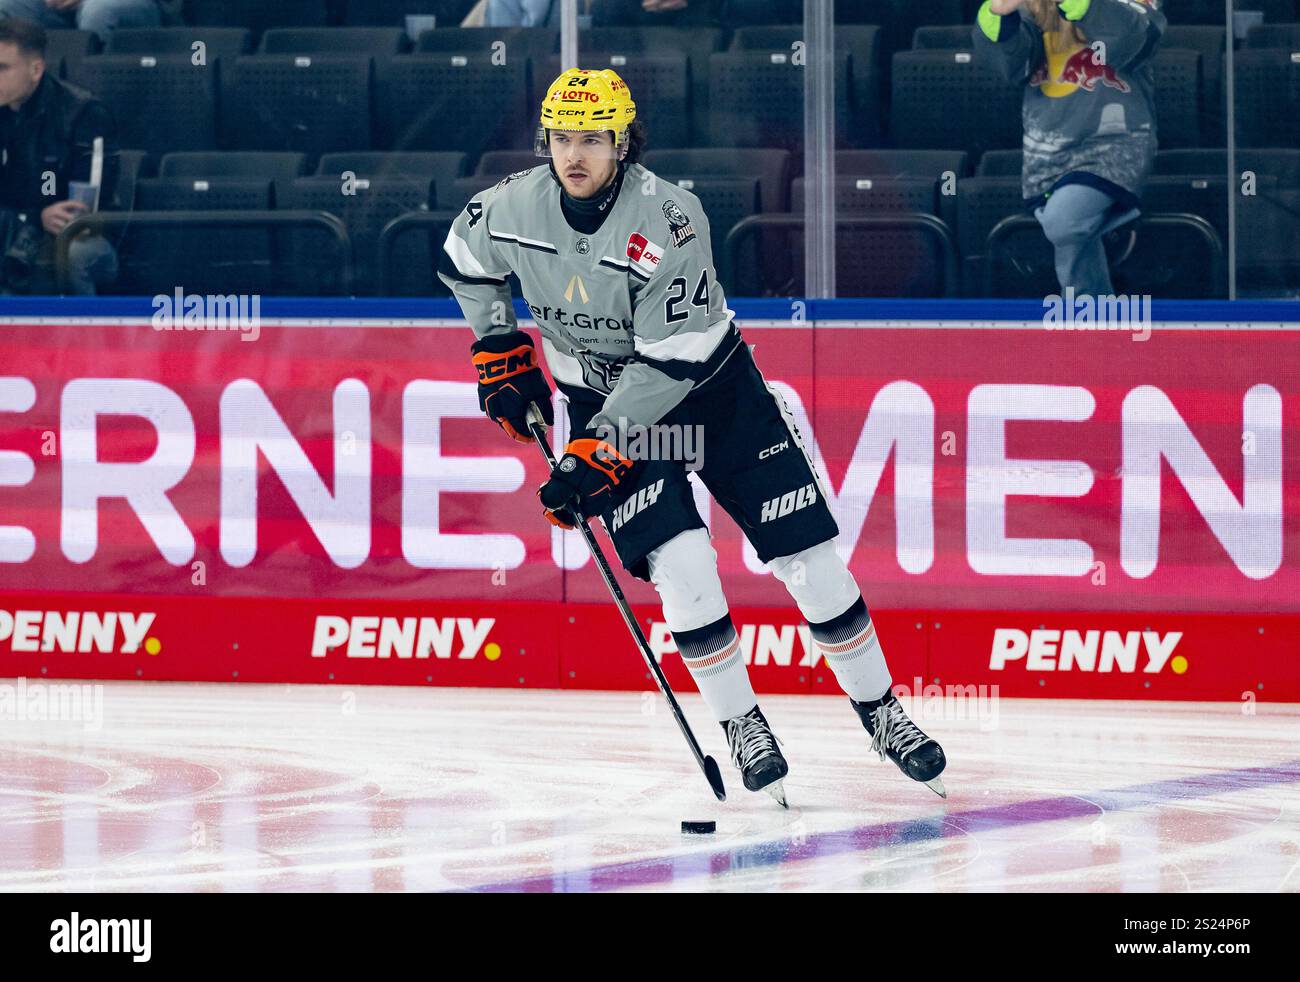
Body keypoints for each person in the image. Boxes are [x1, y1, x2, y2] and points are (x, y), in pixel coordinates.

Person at [437, 67, 946, 806]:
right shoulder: (513, 205)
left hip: (712, 403)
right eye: (561, 138)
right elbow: (465, 260)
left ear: (622, 142)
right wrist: (498, 350)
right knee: (680, 564)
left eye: (592, 138)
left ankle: (882, 712)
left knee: (810, 563)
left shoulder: (668, 218)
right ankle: (742, 724)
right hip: (606, 402)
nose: (573, 154)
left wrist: (598, 448)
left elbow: (671, 361)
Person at [973, 0, 1165, 296]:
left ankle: (1090, 315)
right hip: (1048, 149)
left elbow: (1133, 39)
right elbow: (1012, 67)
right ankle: (1108, 237)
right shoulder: (1033, 10)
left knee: (1065, 221)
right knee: (1067, 225)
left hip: (1114, 146)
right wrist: (999, 12)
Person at [0, 16, 119, 296]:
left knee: (77, 248)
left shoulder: (84, 114)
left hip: (83, 238)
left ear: (36, 69)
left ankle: (86, 334)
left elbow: (87, 212)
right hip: (14, 225)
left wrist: (42, 218)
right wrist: (32, 217)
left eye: (2, 68)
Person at [0, 0, 160, 43]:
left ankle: (93, 107)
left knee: (97, 12)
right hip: (55, 9)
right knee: (7, 5)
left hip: (123, 5)